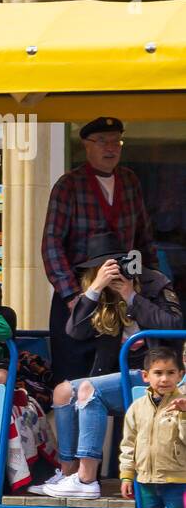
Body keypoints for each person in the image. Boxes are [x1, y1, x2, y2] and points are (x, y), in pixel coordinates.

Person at [32, 231, 182, 499]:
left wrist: (131, 297)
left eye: (115, 264)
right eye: (103, 267)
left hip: (157, 377)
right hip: (121, 377)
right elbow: (74, 331)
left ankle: (87, 479)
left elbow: (174, 325)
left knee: (89, 390)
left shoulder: (153, 283)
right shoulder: (98, 291)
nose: (113, 272)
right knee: (62, 392)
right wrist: (95, 288)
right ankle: (69, 472)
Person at [43, 116, 157, 382]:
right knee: (73, 379)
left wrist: (152, 289)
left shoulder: (129, 181)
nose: (111, 148)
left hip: (121, 294)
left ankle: (124, 425)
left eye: (116, 141)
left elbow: (144, 238)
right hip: (79, 292)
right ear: (86, 145)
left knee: (124, 377)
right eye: (103, 141)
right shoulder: (68, 185)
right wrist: (73, 296)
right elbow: (52, 244)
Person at [118, 347, 186, 508]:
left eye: (171, 372)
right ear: (146, 376)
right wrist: (127, 474)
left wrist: (184, 415)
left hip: (179, 480)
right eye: (158, 373)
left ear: (181, 374)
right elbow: (129, 443)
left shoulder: (184, 403)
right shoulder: (137, 408)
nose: (164, 378)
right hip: (146, 480)